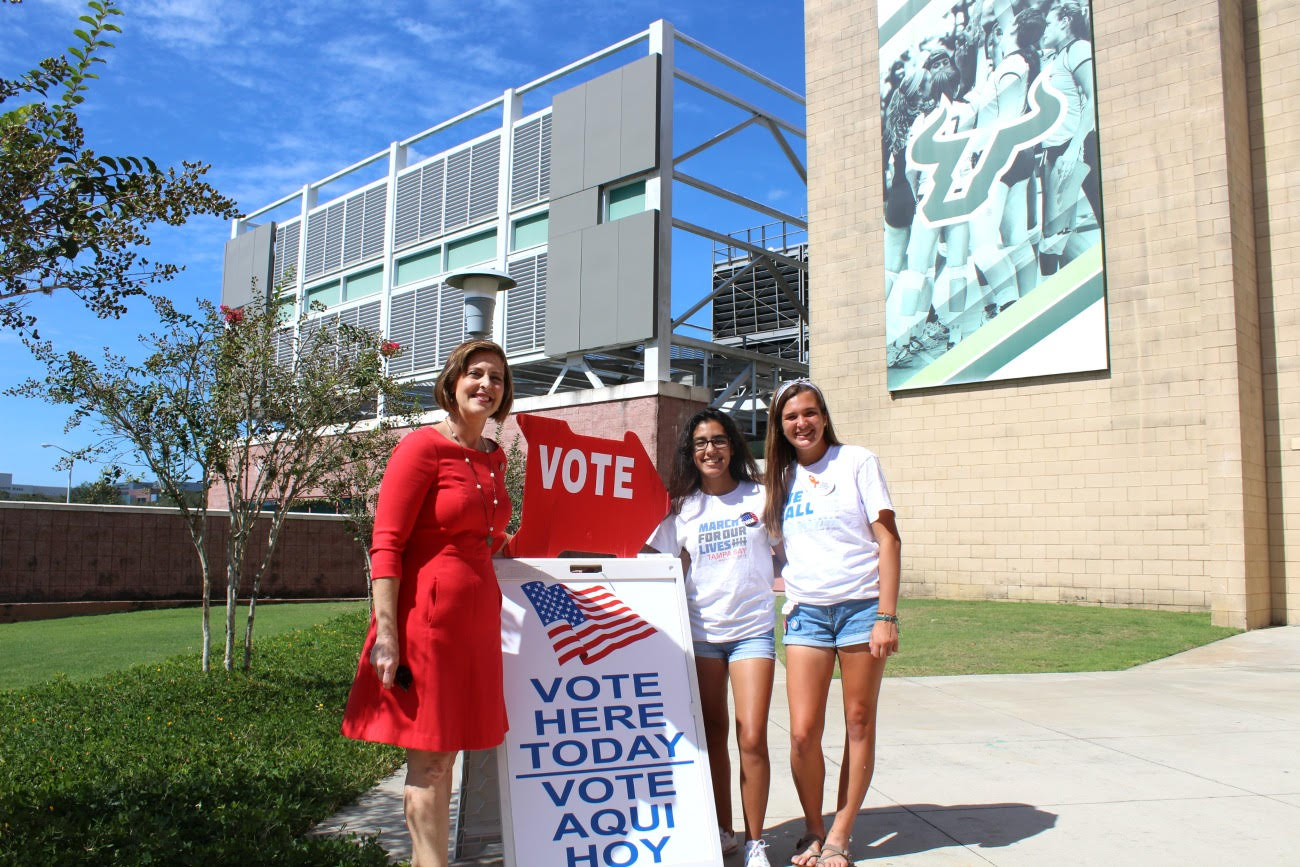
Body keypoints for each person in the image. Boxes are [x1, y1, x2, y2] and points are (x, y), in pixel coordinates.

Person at [341, 339, 514, 867]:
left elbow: (487, 537)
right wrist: (386, 632)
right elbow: (386, 543)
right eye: (476, 374)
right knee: (433, 760)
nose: (486, 385)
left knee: (456, 751)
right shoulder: (421, 447)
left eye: (498, 379)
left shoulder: (494, 456)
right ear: (454, 380)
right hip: (429, 625)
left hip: (478, 623)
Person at [762, 380, 901, 867]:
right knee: (802, 733)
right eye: (791, 416)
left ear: (823, 416)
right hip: (806, 615)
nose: (802, 423)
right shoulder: (777, 480)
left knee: (859, 721)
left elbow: (888, 541)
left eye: (810, 412)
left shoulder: (857, 462)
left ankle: (841, 833)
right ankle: (813, 830)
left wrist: (886, 615)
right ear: (779, 427)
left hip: (862, 608)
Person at [644, 408, 778, 867]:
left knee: (752, 735)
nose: (710, 450)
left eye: (718, 441)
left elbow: (788, 554)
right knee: (713, 736)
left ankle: (756, 840)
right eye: (701, 443)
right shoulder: (682, 510)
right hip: (702, 635)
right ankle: (723, 830)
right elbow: (652, 565)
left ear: (734, 446)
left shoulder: (760, 497)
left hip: (752, 633)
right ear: (691, 452)